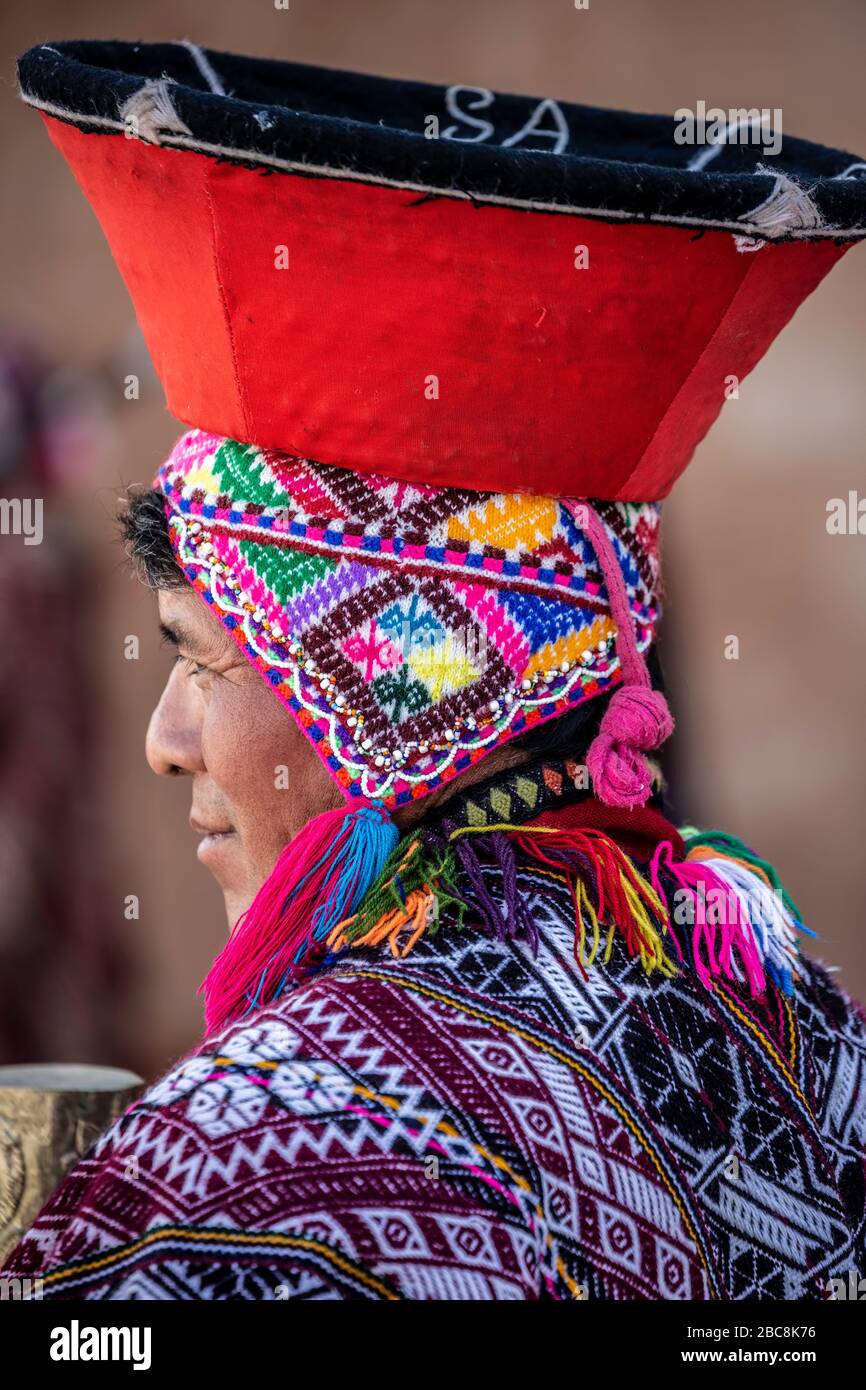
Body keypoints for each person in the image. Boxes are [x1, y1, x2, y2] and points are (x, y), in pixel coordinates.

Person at [4, 38, 866, 1301]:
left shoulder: (230, 1164)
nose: (163, 738)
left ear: (386, 698)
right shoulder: (803, 1034)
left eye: (199, 660)